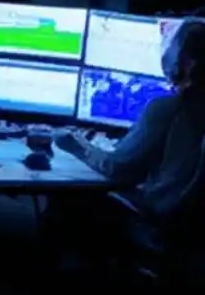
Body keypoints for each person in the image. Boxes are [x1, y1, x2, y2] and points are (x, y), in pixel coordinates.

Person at [56, 18, 205, 222]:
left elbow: (117, 168)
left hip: (161, 221)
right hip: (194, 228)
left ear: (182, 61)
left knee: (67, 199)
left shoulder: (169, 109)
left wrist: (73, 143)